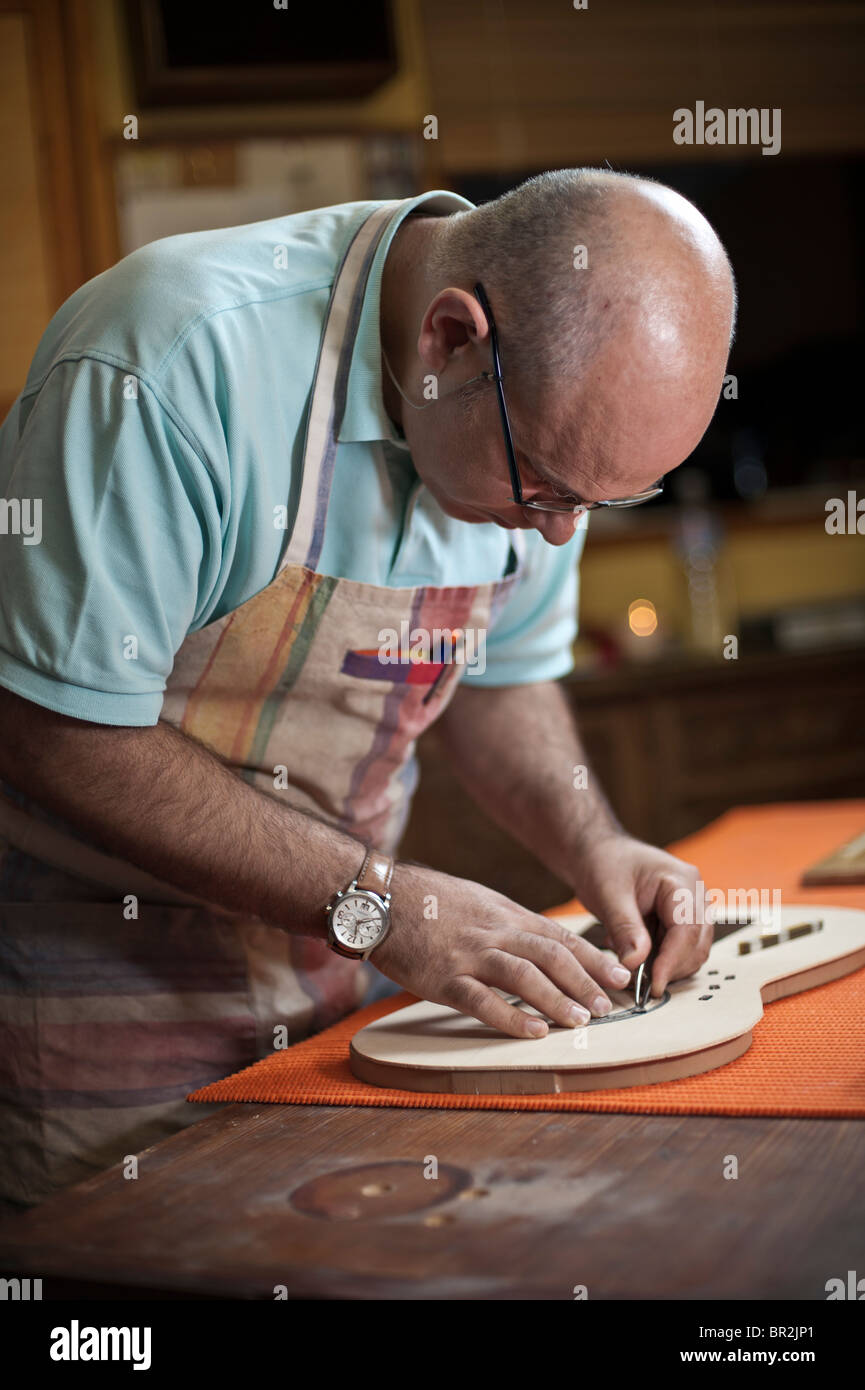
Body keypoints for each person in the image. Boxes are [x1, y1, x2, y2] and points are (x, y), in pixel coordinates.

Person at [0, 168, 735, 1206]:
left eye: (603, 501)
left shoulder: (550, 428)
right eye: (549, 493)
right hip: (88, 989)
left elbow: (496, 682)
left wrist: (593, 839)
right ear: (448, 340)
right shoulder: (165, 364)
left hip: (336, 981)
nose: (562, 531)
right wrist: (379, 904)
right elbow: (56, 730)